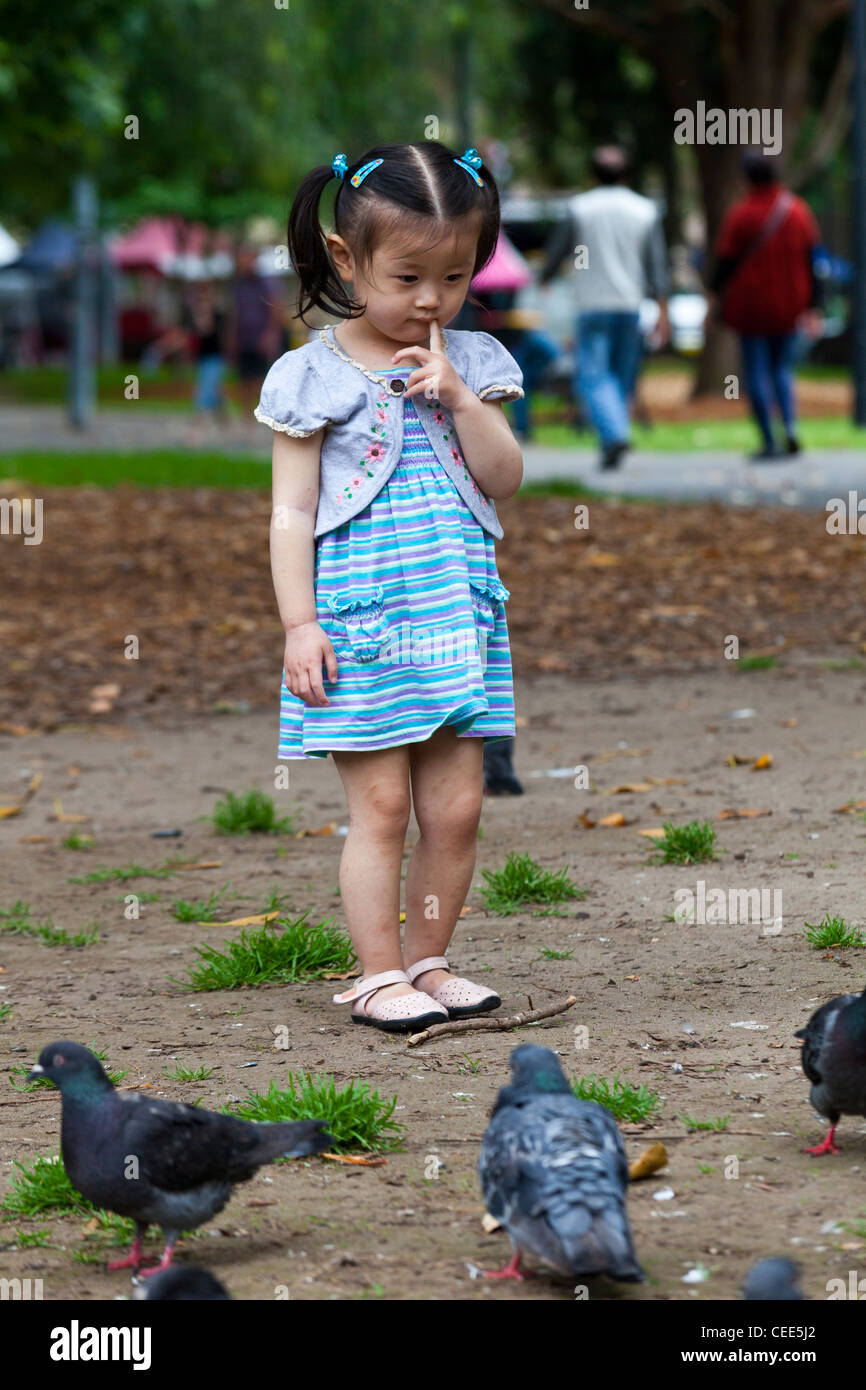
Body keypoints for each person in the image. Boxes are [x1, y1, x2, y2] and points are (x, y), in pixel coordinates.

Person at [256, 141, 525, 1033]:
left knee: (457, 807)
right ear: (345, 259)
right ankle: (377, 974)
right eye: (408, 275)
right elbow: (291, 513)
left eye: (453, 276)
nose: (430, 300)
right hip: (361, 627)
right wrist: (299, 625)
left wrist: (460, 399)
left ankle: (431, 960)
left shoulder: (476, 364)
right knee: (379, 808)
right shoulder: (313, 376)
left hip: (456, 621)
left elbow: (506, 478)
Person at [540, 145, 670, 469]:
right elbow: (657, 266)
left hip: (592, 304)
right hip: (629, 304)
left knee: (594, 377)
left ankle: (613, 437)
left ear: (591, 174)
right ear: (627, 174)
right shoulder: (644, 210)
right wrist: (663, 312)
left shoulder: (580, 207)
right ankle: (615, 436)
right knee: (621, 377)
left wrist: (544, 276)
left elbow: (557, 252)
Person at [710, 151, 823, 460]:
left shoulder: (742, 214)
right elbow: (814, 262)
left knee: (756, 372)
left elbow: (725, 264)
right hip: (790, 306)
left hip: (752, 307)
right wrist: (815, 306)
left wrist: (714, 296)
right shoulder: (798, 211)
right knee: (782, 369)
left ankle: (768, 439)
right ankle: (790, 427)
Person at [230, 244, 284, 432]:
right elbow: (236, 312)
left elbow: (275, 308)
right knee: (244, 379)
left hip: (261, 338)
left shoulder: (266, 282)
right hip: (245, 338)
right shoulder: (239, 285)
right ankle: (247, 418)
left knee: (262, 378)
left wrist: (270, 334)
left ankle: (265, 414)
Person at [185, 280, 227, 433]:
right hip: (202, 358)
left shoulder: (217, 314)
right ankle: (226, 428)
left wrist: (205, 311)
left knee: (204, 393)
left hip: (215, 357)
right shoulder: (194, 314)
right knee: (216, 395)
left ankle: (197, 429)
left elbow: (207, 330)